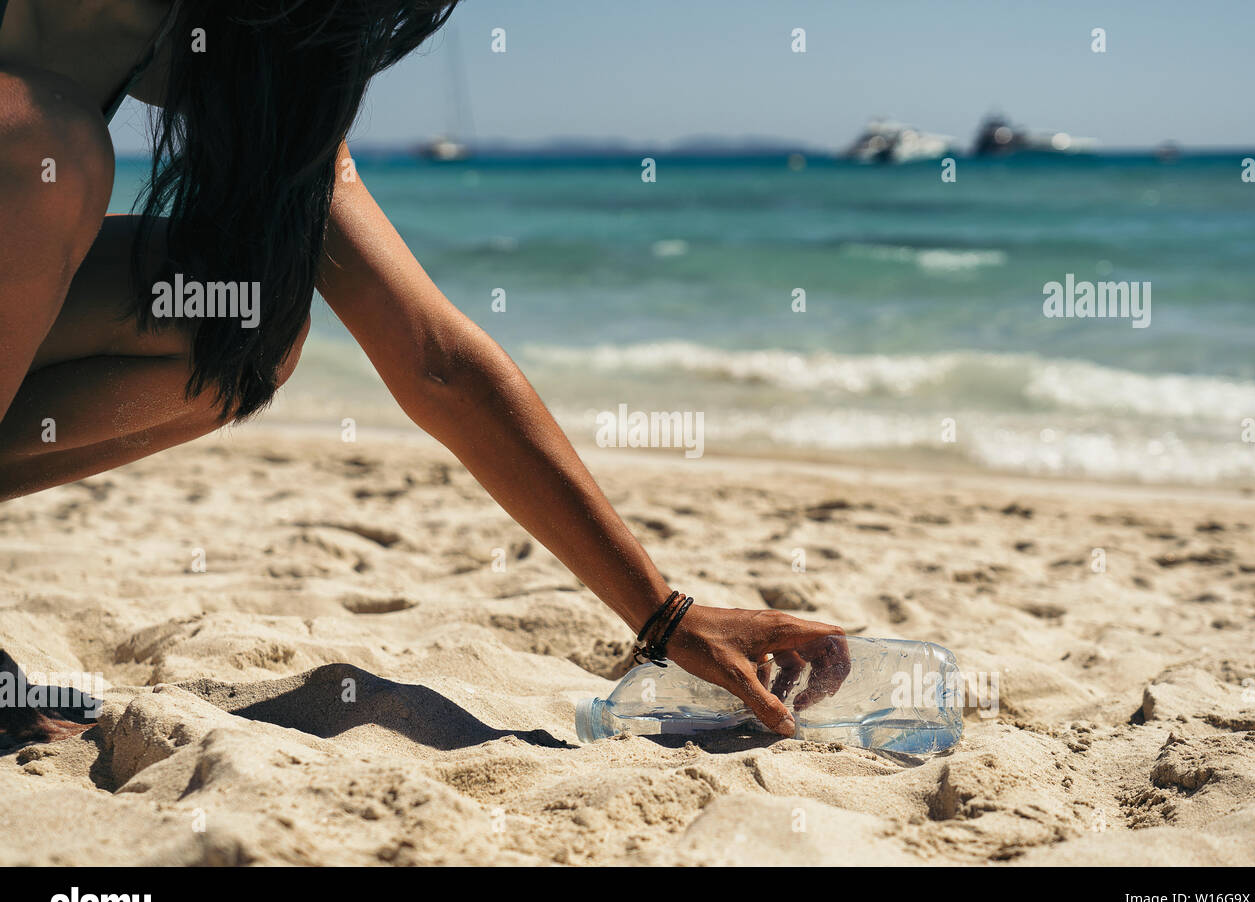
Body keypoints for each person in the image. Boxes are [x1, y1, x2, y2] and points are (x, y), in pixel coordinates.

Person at [0, 0, 847, 744]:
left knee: (240, 325)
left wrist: (665, 615)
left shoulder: (224, 56)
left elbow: (435, 360)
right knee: (53, 149)